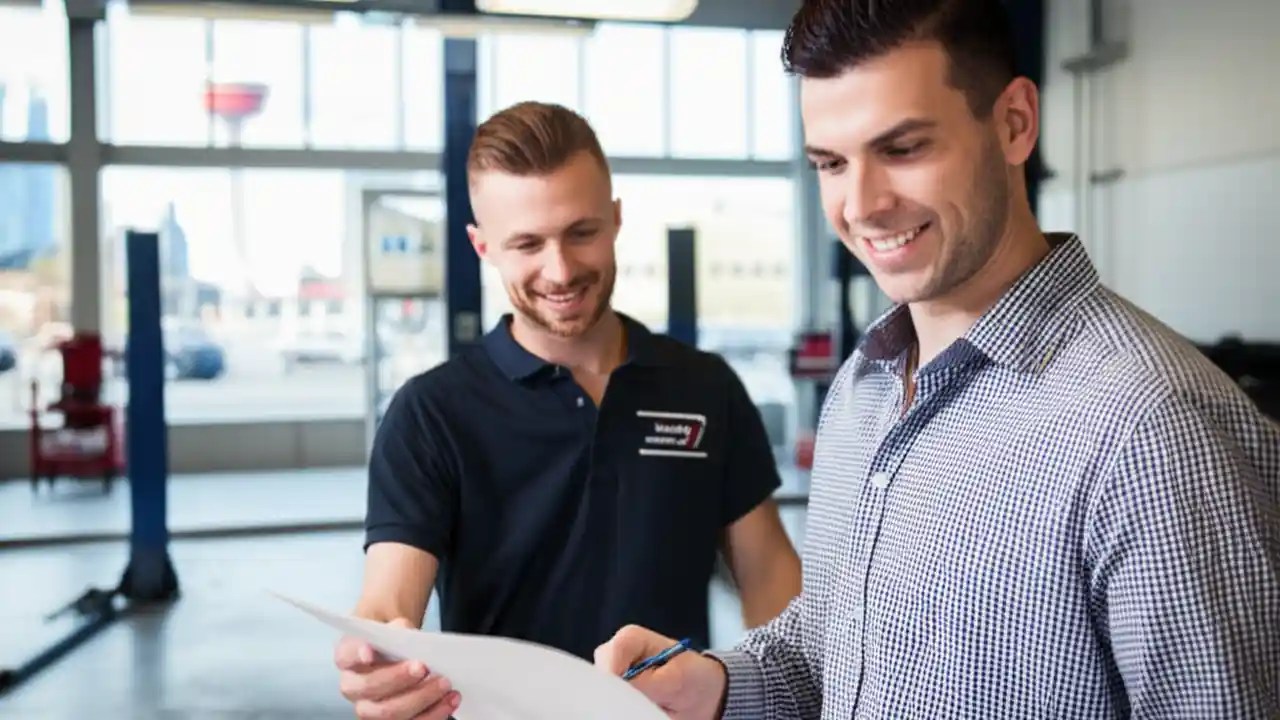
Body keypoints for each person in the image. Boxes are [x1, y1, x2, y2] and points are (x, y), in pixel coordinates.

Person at [594, 0, 1280, 718]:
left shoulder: (1155, 429)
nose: (861, 205)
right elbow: (832, 648)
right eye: (830, 162)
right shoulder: (865, 387)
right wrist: (713, 687)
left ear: (1014, 123)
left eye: (903, 149)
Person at [333, 101, 803, 720]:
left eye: (581, 232)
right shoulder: (431, 413)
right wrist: (379, 664)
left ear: (614, 219)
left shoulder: (703, 388)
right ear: (483, 246)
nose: (561, 270)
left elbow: (772, 582)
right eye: (527, 243)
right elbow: (389, 601)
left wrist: (780, 696)